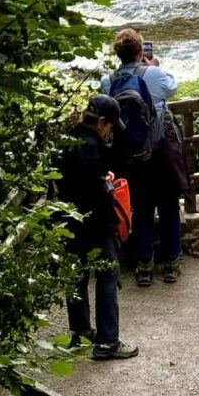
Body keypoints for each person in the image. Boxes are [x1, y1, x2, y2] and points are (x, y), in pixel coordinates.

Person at [59, 95, 139, 361]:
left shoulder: (68, 139)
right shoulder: (92, 148)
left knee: (77, 276)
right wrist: (114, 225)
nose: (111, 132)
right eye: (111, 126)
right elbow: (98, 191)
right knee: (107, 276)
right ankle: (107, 342)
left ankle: (80, 331)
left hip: (69, 220)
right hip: (95, 223)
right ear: (102, 122)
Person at [102, 28, 181, 287]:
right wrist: (156, 65)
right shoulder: (154, 74)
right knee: (169, 206)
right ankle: (171, 264)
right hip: (159, 152)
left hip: (129, 156)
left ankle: (144, 265)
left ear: (118, 54)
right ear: (140, 51)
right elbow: (173, 88)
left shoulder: (108, 81)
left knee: (141, 210)